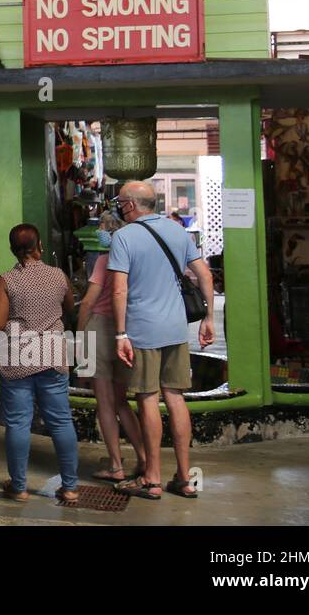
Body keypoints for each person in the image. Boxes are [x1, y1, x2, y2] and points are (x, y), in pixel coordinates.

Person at [108, 181, 216, 500]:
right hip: (175, 328)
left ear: (129, 205)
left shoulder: (123, 237)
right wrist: (208, 319)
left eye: (120, 202)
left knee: (146, 397)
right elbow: (205, 275)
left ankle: (152, 479)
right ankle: (183, 477)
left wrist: (120, 333)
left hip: (142, 329)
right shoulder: (177, 231)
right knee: (176, 397)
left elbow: (118, 290)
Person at [0, 223, 79, 505]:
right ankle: (71, 488)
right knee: (61, 422)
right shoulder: (58, 276)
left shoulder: (6, 281)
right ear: (38, 247)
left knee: (18, 423)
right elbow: (69, 308)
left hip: (18, 358)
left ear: (13, 250)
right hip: (52, 356)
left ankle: (20, 487)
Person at [77, 213, 145, 483]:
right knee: (122, 402)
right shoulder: (135, 260)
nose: (101, 233)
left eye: (104, 228)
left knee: (104, 403)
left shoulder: (105, 260)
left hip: (101, 330)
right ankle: (143, 458)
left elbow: (87, 302)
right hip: (128, 331)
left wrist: (80, 337)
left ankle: (116, 465)